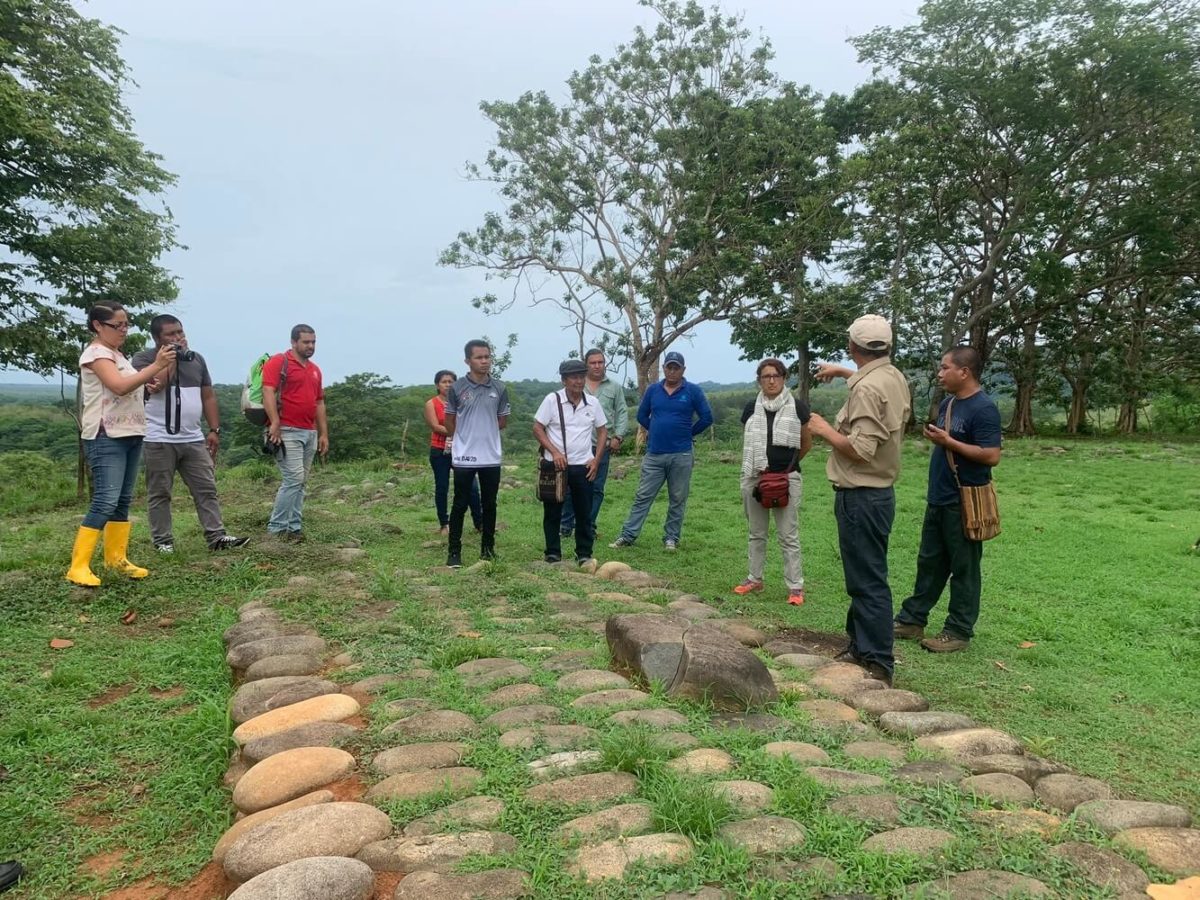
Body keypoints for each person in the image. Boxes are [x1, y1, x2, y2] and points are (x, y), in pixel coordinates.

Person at [808, 314, 912, 686]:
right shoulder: (893, 376)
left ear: (852, 346)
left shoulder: (867, 389)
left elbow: (861, 450)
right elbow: (874, 390)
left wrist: (823, 430)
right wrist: (843, 372)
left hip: (861, 496)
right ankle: (860, 647)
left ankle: (878, 661)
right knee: (864, 576)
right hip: (879, 495)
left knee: (867, 581)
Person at [895, 346, 1002, 653]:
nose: (939, 374)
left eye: (945, 368)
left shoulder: (984, 408)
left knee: (964, 568)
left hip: (964, 500)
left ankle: (958, 630)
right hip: (939, 498)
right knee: (929, 562)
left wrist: (948, 441)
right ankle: (912, 619)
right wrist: (941, 440)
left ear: (964, 372)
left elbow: (991, 455)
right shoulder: (949, 403)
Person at [66, 302, 176, 586]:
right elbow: (118, 386)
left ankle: (116, 559)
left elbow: (129, 385)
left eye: (127, 324)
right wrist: (157, 365)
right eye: (118, 325)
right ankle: (78, 566)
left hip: (131, 432)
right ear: (97, 325)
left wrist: (146, 383)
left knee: (122, 500)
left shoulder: (116, 354)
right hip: (106, 435)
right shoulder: (97, 354)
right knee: (106, 499)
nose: (124, 330)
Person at [131, 315, 249, 553]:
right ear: (157, 338)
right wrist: (170, 359)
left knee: (206, 488)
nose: (178, 338)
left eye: (180, 332)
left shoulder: (197, 359)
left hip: (193, 437)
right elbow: (156, 385)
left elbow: (208, 396)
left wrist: (214, 429)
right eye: (170, 334)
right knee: (160, 492)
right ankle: (163, 542)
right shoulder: (144, 359)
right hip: (158, 437)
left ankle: (217, 537)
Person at [610, 351, 713, 550]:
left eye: (676, 368)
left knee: (677, 498)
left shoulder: (693, 391)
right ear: (664, 368)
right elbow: (641, 415)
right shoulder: (653, 390)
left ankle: (671, 538)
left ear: (683, 370)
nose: (672, 371)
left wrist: (688, 433)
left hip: (682, 453)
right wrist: (655, 429)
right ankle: (628, 535)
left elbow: (707, 418)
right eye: (669, 367)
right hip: (654, 453)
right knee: (643, 496)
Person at [735, 358, 813, 606]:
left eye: (776, 376)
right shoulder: (751, 408)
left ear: (783, 378)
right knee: (756, 533)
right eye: (766, 376)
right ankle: (754, 578)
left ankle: (795, 586)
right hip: (754, 477)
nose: (771, 381)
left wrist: (786, 468)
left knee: (788, 535)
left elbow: (806, 442)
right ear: (759, 380)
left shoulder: (797, 407)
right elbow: (749, 443)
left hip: (786, 478)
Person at [534, 359, 609, 564]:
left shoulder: (592, 402)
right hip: (555, 465)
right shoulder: (552, 400)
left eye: (581, 376)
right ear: (564, 380)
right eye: (573, 377)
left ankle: (584, 553)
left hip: (583, 465)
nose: (578, 381)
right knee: (553, 511)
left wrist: (596, 460)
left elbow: (602, 431)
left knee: (584, 512)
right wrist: (555, 452)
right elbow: (537, 428)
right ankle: (552, 552)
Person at [444, 339, 510, 568]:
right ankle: (454, 552)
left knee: (490, 504)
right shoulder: (457, 388)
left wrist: (484, 432)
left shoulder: (499, 388)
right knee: (460, 503)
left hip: (491, 456)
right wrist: (463, 438)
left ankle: (488, 549)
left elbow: (502, 421)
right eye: (479, 357)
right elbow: (449, 420)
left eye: (487, 357)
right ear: (467, 361)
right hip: (464, 456)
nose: (484, 361)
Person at [263, 324, 328, 541]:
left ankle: (294, 527)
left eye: (313, 342)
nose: (310, 346)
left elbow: (319, 402)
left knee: (301, 482)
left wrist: (323, 434)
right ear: (293, 342)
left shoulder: (315, 369)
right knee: (294, 478)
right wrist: (275, 423)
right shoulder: (279, 362)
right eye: (306, 342)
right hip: (286, 430)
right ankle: (276, 529)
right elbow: (268, 391)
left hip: (309, 431)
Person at [560, 348, 628, 539]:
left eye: (600, 362)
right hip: (575, 446)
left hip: (601, 446)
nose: (597, 366)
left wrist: (618, 437)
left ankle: (587, 525)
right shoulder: (576, 385)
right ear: (586, 364)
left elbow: (622, 412)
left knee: (596, 488)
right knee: (570, 487)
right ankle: (565, 525)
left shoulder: (614, 387)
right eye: (593, 363)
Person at [424, 369, 482, 536]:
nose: (448, 385)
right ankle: (444, 524)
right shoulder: (431, 404)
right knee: (442, 487)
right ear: (437, 385)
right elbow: (435, 426)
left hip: (462, 449)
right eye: (444, 382)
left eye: (451, 382)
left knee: (472, 487)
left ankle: (479, 523)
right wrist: (457, 432)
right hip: (440, 450)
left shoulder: (464, 401)